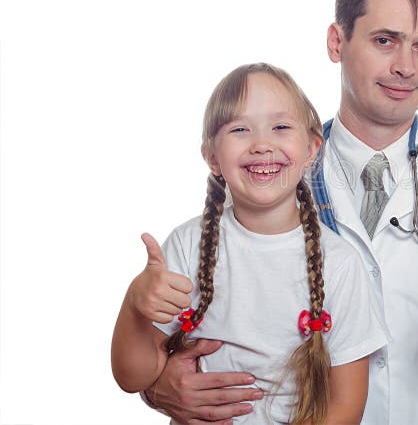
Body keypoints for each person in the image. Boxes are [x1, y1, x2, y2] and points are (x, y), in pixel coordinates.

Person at [140, 0, 418, 424]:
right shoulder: (269, 172)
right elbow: (193, 320)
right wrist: (157, 384)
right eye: (385, 40)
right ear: (337, 43)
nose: (404, 66)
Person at [112, 63, 389, 424]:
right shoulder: (186, 246)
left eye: (281, 127)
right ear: (212, 156)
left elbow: (345, 406)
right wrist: (135, 303)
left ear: (310, 149)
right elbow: (132, 376)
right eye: (240, 129)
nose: (262, 144)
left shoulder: (340, 264)